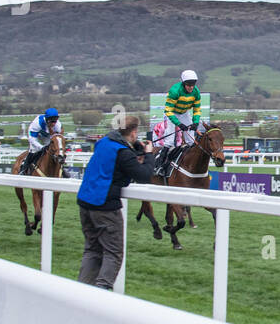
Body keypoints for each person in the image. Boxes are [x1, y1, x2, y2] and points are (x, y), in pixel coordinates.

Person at [76, 115, 153, 290]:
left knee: (92, 250)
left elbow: (118, 161)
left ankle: (80, 293)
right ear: (134, 132)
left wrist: (136, 147)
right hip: (105, 207)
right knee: (113, 253)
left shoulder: (103, 142)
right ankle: (101, 295)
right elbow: (143, 175)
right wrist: (148, 155)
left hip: (85, 203)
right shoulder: (123, 153)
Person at [155, 69, 203, 177]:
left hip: (184, 113)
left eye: (193, 84)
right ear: (183, 83)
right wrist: (179, 124)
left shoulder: (196, 92)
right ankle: (160, 166)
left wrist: (195, 123)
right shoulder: (175, 91)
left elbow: (197, 110)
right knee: (169, 141)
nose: (191, 87)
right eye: (188, 85)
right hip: (171, 113)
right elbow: (168, 110)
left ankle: (190, 165)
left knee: (191, 140)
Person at [21, 108, 63, 175]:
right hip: (35, 134)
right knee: (34, 149)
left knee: (52, 149)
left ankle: (61, 170)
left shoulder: (58, 125)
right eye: (52, 121)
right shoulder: (36, 124)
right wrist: (41, 147)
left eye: (55, 121)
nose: (53, 124)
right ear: (46, 119)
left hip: (47, 135)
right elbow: (32, 140)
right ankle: (24, 169)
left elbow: (56, 140)